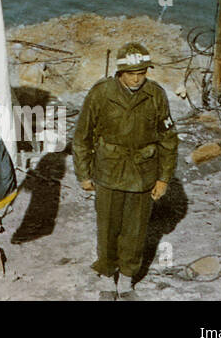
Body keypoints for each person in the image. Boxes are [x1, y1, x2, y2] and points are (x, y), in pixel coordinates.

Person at [72, 41, 178, 299]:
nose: (137, 79)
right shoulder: (100, 94)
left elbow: (168, 139)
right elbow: (82, 137)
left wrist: (163, 178)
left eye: (142, 73)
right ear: (120, 72)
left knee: (136, 229)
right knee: (107, 228)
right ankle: (108, 277)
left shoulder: (156, 95)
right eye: (132, 74)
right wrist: (84, 174)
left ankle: (127, 280)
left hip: (143, 174)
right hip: (108, 171)